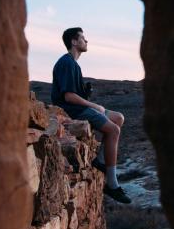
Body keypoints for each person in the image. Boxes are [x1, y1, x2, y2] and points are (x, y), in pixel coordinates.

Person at [52, 27, 131, 204]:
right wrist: (94, 105)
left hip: (79, 108)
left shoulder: (73, 64)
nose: (86, 41)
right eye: (83, 38)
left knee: (118, 117)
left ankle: (101, 160)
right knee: (113, 130)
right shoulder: (67, 63)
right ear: (74, 41)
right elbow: (68, 96)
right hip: (73, 110)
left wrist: (86, 96)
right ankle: (112, 184)